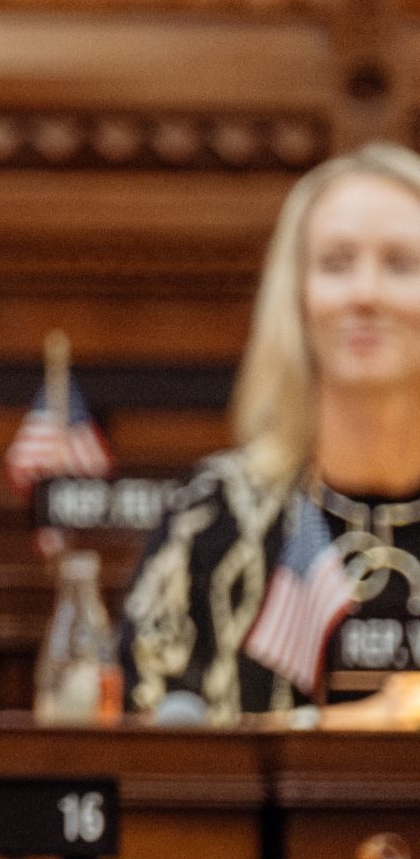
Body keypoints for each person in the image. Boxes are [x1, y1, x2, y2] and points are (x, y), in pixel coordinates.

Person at [124, 142, 420, 721]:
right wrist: (382, 719)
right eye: (336, 263)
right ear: (296, 298)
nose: (365, 293)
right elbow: (148, 745)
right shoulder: (212, 516)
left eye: (401, 264)